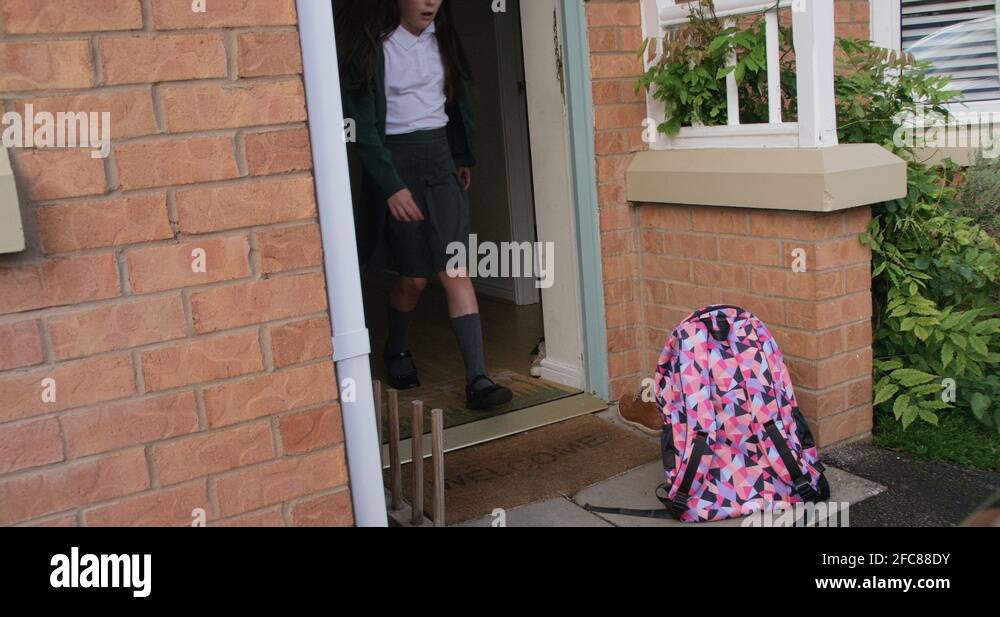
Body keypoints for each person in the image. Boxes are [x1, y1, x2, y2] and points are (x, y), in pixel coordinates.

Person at [337, 0, 514, 410]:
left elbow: (456, 103)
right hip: (397, 164)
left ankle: (478, 379)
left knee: (455, 268)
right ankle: (395, 349)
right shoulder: (375, 47)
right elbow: (363, 130)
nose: (430, 1)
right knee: (414, 279)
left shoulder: (444, 42)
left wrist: (461, 157)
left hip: (440, 164)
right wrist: (390, 186)